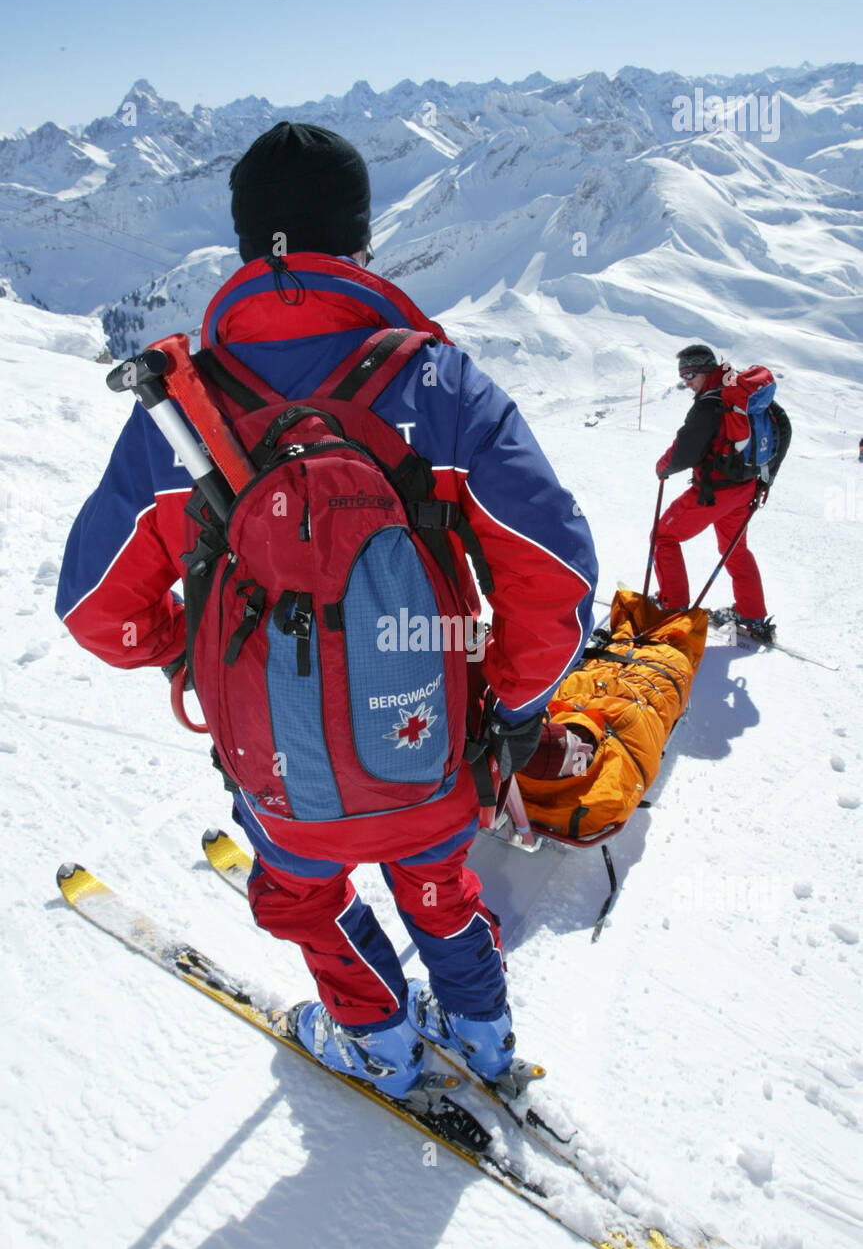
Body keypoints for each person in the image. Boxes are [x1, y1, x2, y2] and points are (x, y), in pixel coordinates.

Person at [55, 122, 597, 1100]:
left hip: (278, 778)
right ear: (359, 244)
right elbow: (553, 577)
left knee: (301, 895)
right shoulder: (438, 381)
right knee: (439, 893)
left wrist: (191, 658)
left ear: (243, 240)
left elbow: (98, 611)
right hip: (433, 755)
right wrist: (509, 715)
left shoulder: (181, 415)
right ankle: (480, 1034)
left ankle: (378, 1044)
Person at [652, 344, 790, 644]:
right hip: (745, 489)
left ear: (704, 369)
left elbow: (685, 449)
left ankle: (672, 607)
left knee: (663, 536)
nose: (686, 381)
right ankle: (752, 616)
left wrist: (663, 467)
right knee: (735, 550)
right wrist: (765, 481)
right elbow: (783, 427)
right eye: (682, 374)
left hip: (716, 491)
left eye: (689, 374)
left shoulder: (712, 403)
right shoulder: (738, 392)